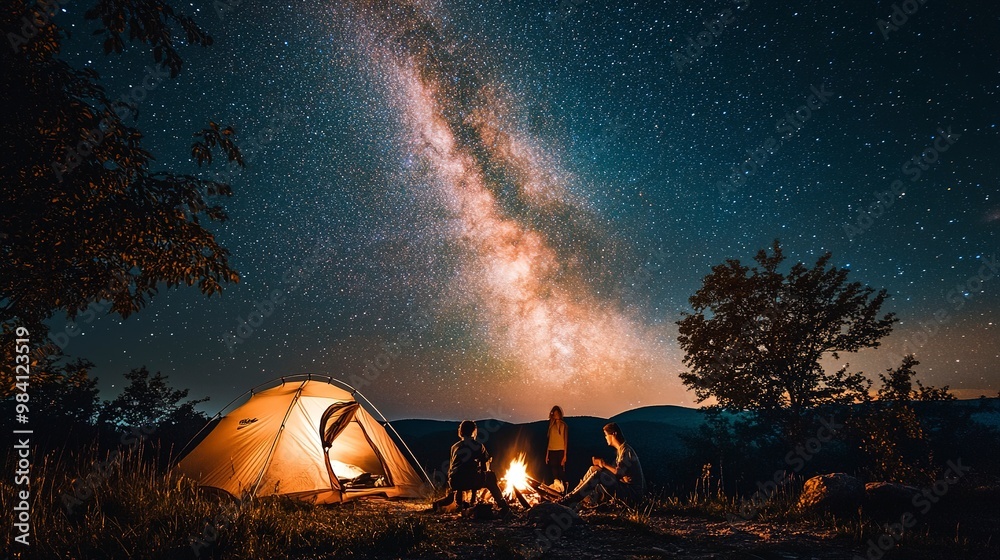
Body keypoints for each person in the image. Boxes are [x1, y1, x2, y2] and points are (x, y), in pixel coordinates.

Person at [432, 420, 511, 514]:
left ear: (461, 431)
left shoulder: (454, 447)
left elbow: (454, 465)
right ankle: (502, 504)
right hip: (470, 480)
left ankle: (445, 503)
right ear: (474, 431)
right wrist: (484, 474)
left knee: (467, 472)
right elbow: (484, 465)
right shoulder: (478, 446)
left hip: (454, 481)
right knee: (491, 476)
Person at [559, 422, 645, 506]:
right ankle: (572, 496)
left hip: (632, 495)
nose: (605, 437)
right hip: (625, 489)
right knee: (594, 469)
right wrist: (600, 465)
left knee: (598, 475)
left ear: (614, 434)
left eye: (606, 435)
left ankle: (571, 500)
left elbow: (618, 473)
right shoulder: (621, 449)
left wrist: (603, 464)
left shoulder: (627, 451)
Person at [546, 405, 569, 490]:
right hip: (552, 450)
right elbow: (550, 441)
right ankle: (557, 489)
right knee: (554, 471)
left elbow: (565, 441)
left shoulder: (564, 425)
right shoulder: (551, 426)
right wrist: (547, 455)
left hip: (561, 450)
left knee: (561, 471)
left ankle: (565, 488)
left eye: (558, 413)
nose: (557, 415)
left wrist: (565, 455)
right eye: (555, 414)